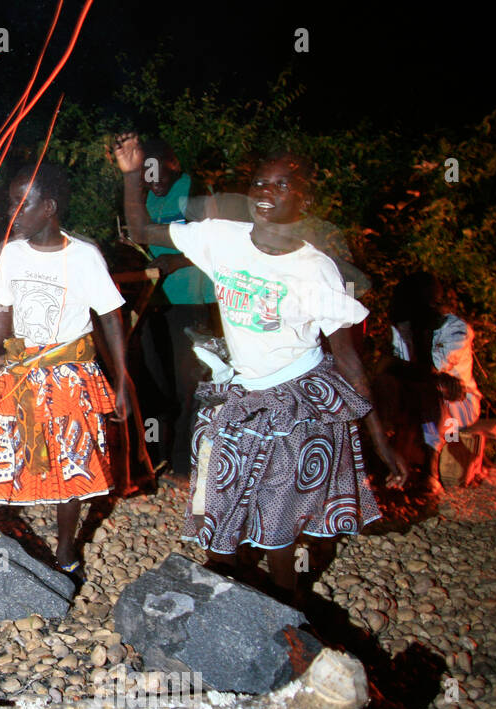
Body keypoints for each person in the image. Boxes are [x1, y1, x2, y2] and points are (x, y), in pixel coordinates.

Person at [114, 134, 410, 603]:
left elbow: (349, 360)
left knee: (279, 518)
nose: (265, 192)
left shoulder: (316, 271)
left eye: (281, 184)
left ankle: (283, 613)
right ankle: (221, 595)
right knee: (220, 500)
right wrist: (132, 174)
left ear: (304, 199)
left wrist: (381, 443)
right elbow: (142, 230)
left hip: (297, 401)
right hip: (242, 394)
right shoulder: (220, 238)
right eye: (259, 182)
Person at [0, 162, 131, 583]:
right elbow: (0, 319)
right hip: (20, 371)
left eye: (24, 204)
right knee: (1, 454)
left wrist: (122, 379)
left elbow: (111, 317)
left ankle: (64, 547)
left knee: (70, 463)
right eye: (10, 203)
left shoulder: (84, 257)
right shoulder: (11, 254)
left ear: (50, 207)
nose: (13, 212)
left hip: (68, 374)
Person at [132, 139, 218, 477]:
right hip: (154, 303)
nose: (152, 177)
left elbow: (214, 244)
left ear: (174, 163)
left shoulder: (194, 190)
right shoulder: (145, 197)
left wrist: (176, 260)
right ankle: (155, 457)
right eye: (145, 171)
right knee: (154, 387)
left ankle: (186, 464)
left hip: (191, 302)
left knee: (190, 388)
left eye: (156, 167)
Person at [388, 272, 484, 491]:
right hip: (424, 397)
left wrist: (421, 334)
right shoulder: (404, 327)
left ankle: (430, 472)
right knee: (388, 384)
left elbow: (428, 370)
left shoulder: (456, 329)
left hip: (459, 405)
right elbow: (400, 369)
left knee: (431, 388)